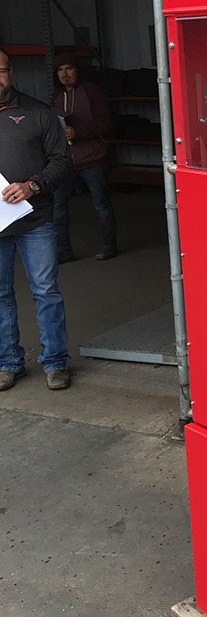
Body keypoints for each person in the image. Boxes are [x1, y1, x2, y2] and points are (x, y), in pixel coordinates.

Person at [0, 48, 72, 390]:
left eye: (0, 71)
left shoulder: (38, 113)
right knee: (0, 294)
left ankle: (55, 362)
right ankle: (8, 362)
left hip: (35, 221)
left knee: (45, 291)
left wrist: (32, 186)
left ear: (10, 72)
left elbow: (62, 161)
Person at [51, 52, 117, 262]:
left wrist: (78, 132)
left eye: (69, 69)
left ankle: (108, 245)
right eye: (60, 70)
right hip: (66, 161)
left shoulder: (92, 91)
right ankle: (64, 249)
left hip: (93, 158)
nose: (65, 74)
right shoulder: (57, 96)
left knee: (101, 205)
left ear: (77, 70)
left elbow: (105, 123)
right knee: (58, 205)